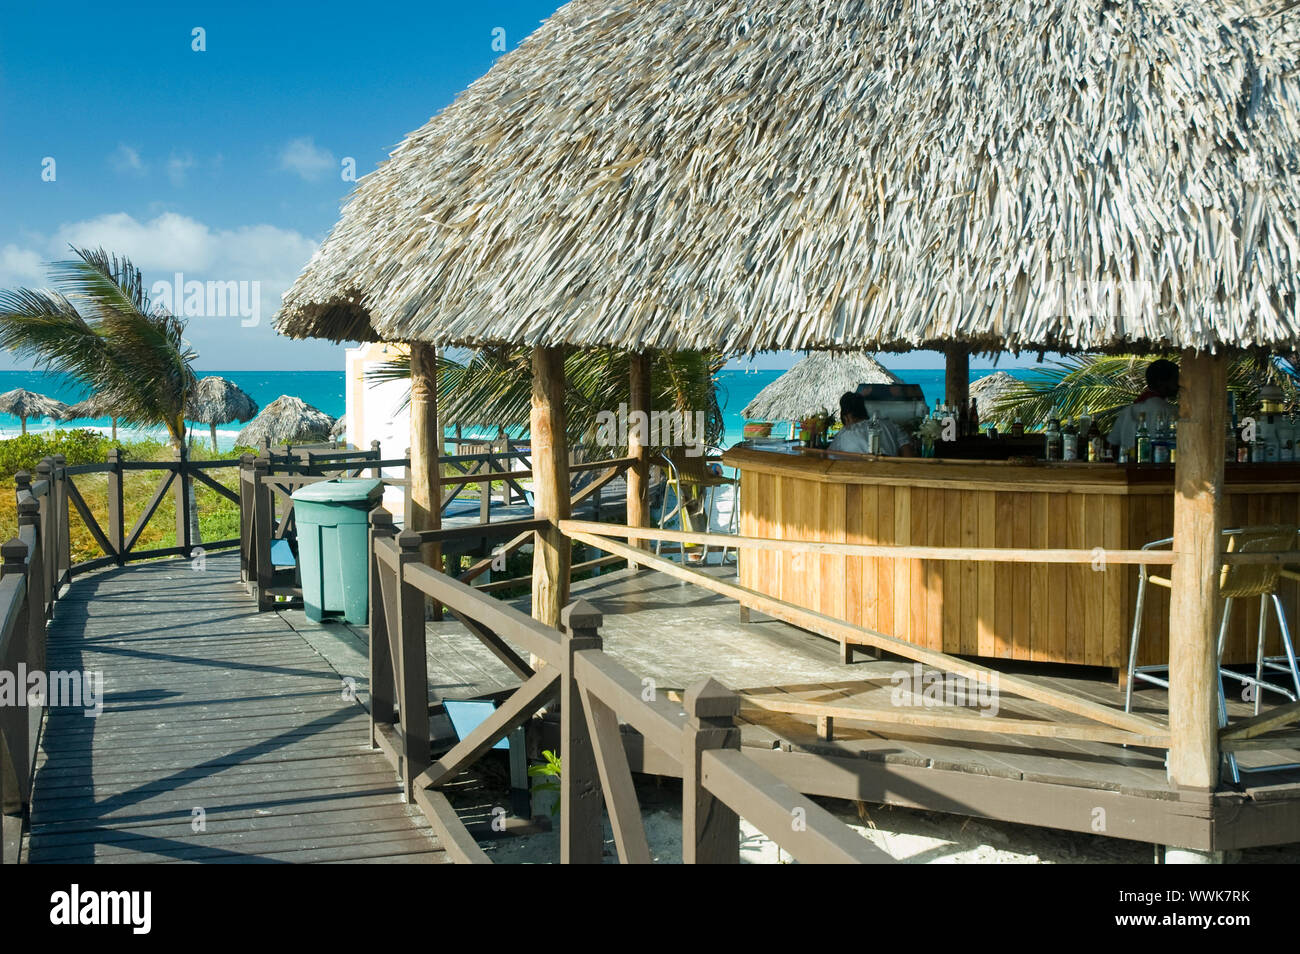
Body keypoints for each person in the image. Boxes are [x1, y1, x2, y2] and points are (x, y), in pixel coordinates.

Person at [1108, 359, 1179, 454]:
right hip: (1161, 467)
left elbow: (1112, 444)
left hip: (1128, 466)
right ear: (1161, 382)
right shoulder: (1171, 411)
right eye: (1175, 379)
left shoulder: (1129, 410)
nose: (1178, 384)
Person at [829, 391, 913, 455]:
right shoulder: (891, 426)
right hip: (888, 474)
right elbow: (908, 454)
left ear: (846, 418)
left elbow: (828, 458)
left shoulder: (844, 434)